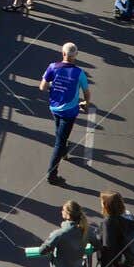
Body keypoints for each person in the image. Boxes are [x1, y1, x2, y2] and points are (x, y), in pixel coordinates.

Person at [40, 42, 90, 185]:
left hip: (54, 108)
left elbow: (42, 86)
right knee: (59, 142)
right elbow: (87, 93)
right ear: (76, 56)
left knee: (60, 133)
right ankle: (52, 174)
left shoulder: (52, 67)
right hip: (69, 112)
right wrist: (86, 104)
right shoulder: (79, 73)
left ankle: (64, 151)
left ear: (63, 54)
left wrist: (53, 87)